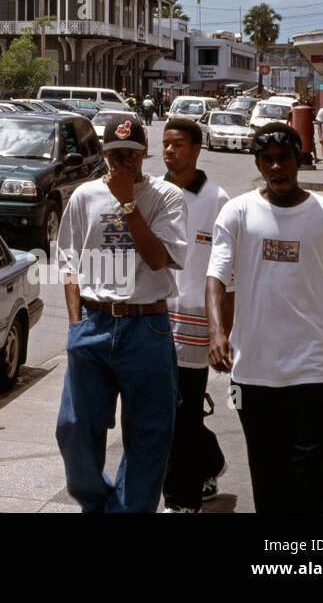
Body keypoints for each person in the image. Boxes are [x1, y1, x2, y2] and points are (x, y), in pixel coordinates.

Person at [206, 123, 323, 513]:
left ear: (299, 159)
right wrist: (217, 332)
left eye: (284, 158)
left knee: (312, 482)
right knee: (268, 477)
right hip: (253, 373)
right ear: (258, 163)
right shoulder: (238, 212)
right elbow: (216, 277)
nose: (276, 167)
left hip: (313, 369)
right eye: (267, 160)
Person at [54, 116, 188, 513]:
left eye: (131, 155)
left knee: (148, 435)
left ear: (144, 156)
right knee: (75, 429)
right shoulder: (84, 196)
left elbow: (158, 258)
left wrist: (128, 202)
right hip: (93, 324)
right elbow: (68, 262)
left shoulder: (166, 197)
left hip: (146, 325)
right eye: (115, 155)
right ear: (105, 156)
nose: (123, 163)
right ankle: (100, 505)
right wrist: (75, 322)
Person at [160, 118, 230, 513]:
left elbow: (224, 272)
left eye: (179, 144)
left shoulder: (218, 200)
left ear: (197, 149)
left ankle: (181, 501)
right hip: (153, 320)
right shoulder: (150, 191)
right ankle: (211, 460)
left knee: (185, 413)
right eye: (166, 144)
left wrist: (226, 331)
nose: (170, 151)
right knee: (163, 412)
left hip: (196, 324)